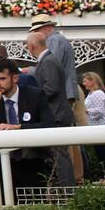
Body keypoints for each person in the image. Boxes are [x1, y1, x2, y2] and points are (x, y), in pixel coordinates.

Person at [0, 57, 57, 188]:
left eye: (2, 79)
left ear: (15, 78)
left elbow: (49, 125)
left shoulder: (35, 95)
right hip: (2, 164)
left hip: (33, 161)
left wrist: (18, 127)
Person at [31, 16, 85, 180]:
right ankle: (75, 177)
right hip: (67, 93)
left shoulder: (54, 40)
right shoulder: (59, 39)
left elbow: (51, 69)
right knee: (67, 144)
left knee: (64, 146)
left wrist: (31, 71)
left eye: (36, 31)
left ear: (44, 28)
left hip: (63, 96)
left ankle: (73, 179)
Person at [25, 30, 76, 185]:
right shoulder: (49, 60)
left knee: (60, 157)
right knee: (56, 156)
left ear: (32, 47)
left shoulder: (48, 61)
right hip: (56, 114)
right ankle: (61, 188)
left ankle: (68, 192)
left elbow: (51, 88)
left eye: (27, 46)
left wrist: (33, 99)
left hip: (57, 115)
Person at [81, 71, 105, 176]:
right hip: (95, 127)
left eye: (85, 81)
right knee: (99, 152)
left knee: (104, 152)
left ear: (92, 81)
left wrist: (86, 111)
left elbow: (100, 111)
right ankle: (104, 175)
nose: (83, 83)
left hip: (101, 127)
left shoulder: (98, 94)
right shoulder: (91, 94)